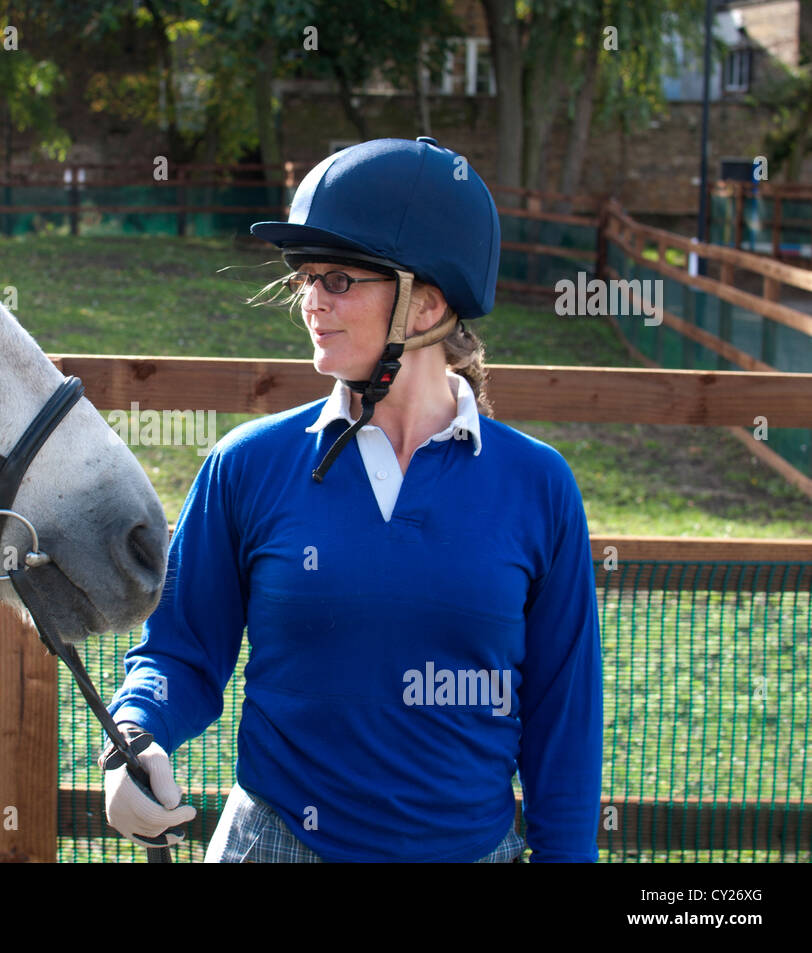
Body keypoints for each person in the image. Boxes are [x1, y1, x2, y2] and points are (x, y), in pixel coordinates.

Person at [98, 137, 602, 862]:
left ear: (426, 303)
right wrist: (137, 733)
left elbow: (564, 722)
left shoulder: (538, 486)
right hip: (275, 843)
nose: (311, 302)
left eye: (339, 279)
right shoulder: (246, 464)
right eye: (306, 279)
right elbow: (181, 650)